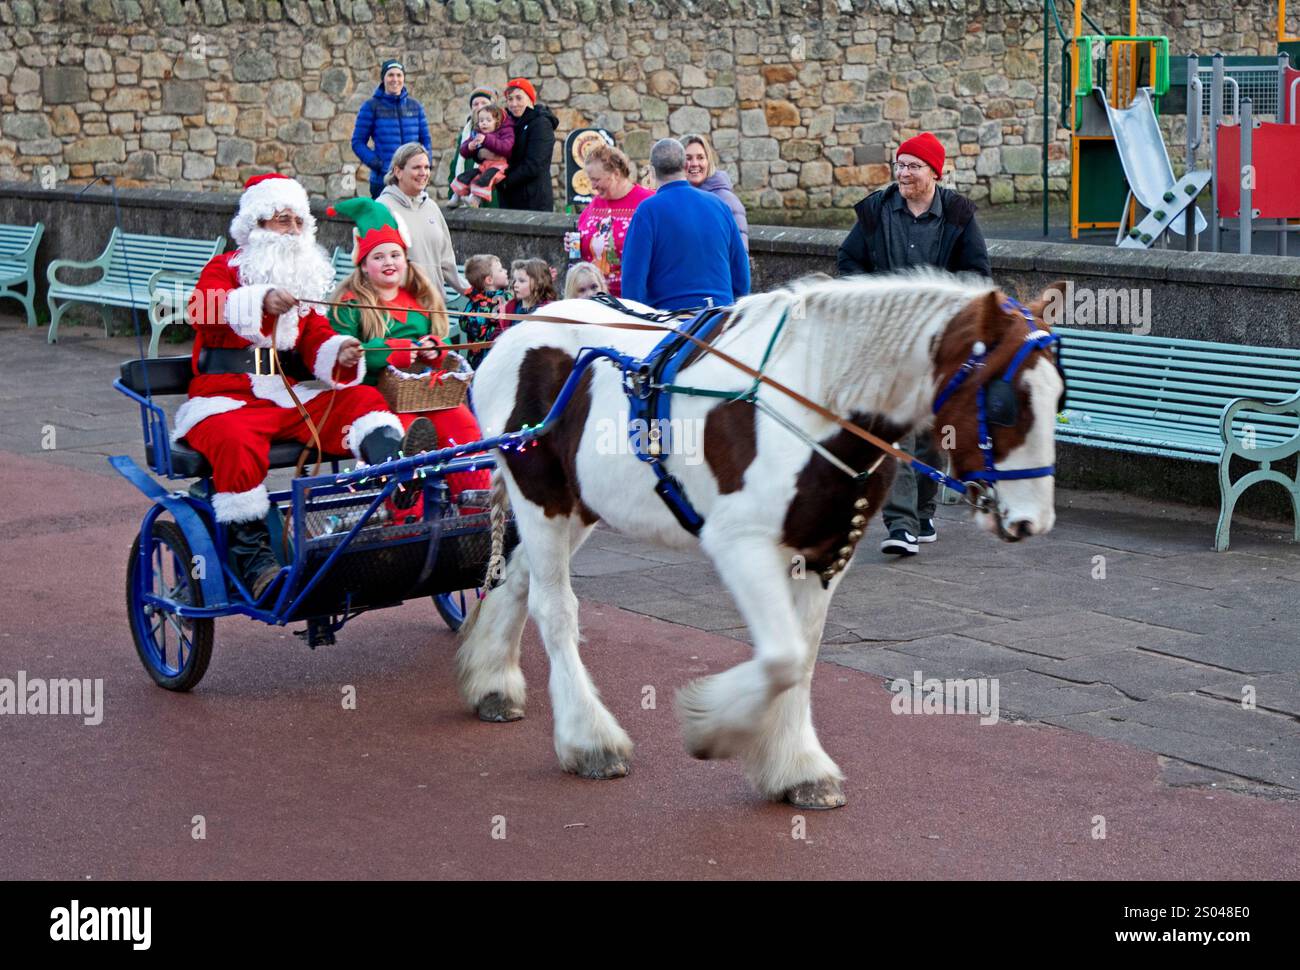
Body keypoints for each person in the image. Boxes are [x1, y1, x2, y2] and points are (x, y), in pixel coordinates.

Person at [178, 174, 423, 597]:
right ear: (256, 227)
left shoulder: (302, 282)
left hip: (285, 396)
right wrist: (259, 300)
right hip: (225, 399)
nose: (292, 231)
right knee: (234, 440)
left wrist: (341, 350)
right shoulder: (224, 269)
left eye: (297, 222)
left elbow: (315, 336)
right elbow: (200, 309)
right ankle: (255, 561)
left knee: (363, 398)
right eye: (281, 221)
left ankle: (393, 479)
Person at [835, 131, 992, 557]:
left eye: (912, 166)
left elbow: (977, 277)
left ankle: (923, 511)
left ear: (933, 173)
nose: (903, 173)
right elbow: (849, 262)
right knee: (894, 431)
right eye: (900, 165)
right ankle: (899, 524)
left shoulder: (958, 215)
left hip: (940, 345)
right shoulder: (875, 211)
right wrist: (872, 298)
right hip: (888, 340)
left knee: (930, 434)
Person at [325, 197, 491, 505]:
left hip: (427, 392)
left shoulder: (419, 296)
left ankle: (476, 505)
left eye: (394, 254)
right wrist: (394, 351)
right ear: (363, 264)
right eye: (378, 257)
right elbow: (343, 351)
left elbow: (441, 341)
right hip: (380, 398)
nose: (389, 262)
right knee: (403, 438)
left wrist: (434, 350)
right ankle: (406, 517)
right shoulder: (349, 302)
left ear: (405, 258)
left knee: (463, 423)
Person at [620, 138, 750, 311]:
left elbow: (632, 283)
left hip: (672, 321)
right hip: (720, 316)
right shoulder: (720, 206)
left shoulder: (647, 211)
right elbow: (741, 276)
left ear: (652, 170)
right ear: (685, 166)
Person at [377, 142, 469, 294]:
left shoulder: (431, 207)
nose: (423, 173)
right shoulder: (382, 208)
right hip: (402, 309)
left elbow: (446, 261)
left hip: (436, 307)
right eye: (416, 167)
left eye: (427, 167)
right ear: (398, 172)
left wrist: (472, 293)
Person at [575, 143, 652, 297]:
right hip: (594, 299)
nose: (593, 186)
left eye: (597, 179)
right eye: (591, 180)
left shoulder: (648, 202)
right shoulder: (596, 203)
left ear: (616, 174)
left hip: (633, 300)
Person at [351, 59, 432, 200]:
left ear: (403, 78)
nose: (395, 79)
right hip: (383, 180)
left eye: (399, 75)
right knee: (385, 222)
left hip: (413, 179)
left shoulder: (415, 107)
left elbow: (426, 140)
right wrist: (377, 164)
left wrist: (424, 166)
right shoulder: (371, 107)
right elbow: (357, 142)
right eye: (390, 75)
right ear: (383, 78)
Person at [496, 78, 559, 212]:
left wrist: (504, 182)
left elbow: (534, 164)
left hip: (533, 200)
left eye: (519, 98)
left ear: (530, 99)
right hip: (508, 199)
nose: (513, 104)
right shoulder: (507, 123)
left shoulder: (541, 124)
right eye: (510, 99)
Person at [682, 133, 749, 251]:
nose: (694, 164)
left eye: (700, 157)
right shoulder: (677, 199)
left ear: (708, 161)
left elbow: (740, 253)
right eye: (688, 158)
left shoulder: (727, 201)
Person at [450, 103, 514, 208]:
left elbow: (506, 147)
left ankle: (474, 200)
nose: (484, 123)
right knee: (467, 176)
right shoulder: (477, 132)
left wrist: (486, 140)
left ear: (497, 122)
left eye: (488, 120)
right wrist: (469, 147)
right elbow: (463, 149)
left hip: (498, 167)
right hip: (484, 165)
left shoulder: (504, 130)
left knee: (485, 179)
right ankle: (456, 196)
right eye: (481, 120)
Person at [448, 85, 497, 204]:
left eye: (484, 103)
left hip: (490, 197)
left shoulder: (499, 132)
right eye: (475, 104)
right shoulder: (465, 134)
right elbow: (456, 163)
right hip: (463, 194)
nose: (479, 107)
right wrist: (452, 190)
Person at [461, 253, 511, 366]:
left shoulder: (507, 297)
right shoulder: (477, 303)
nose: (505, 271)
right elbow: (465, 323)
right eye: (500, 270)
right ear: (489, 280)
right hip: (482, 362)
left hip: (504, 357)